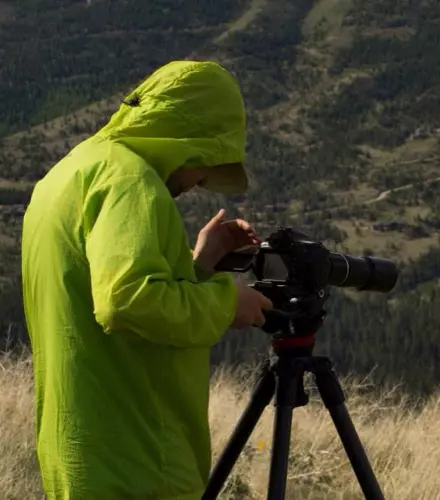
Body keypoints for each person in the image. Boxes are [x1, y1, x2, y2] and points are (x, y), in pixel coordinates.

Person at [21, 60, 273, 500]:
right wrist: (227, 303)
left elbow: (100, 295)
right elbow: (125, 300)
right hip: (138, 461)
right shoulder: (130, 181)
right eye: (205, 163)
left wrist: (200, 264)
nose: (201, 180)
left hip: (83, 453)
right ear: (187, 139)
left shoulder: (68, 174)